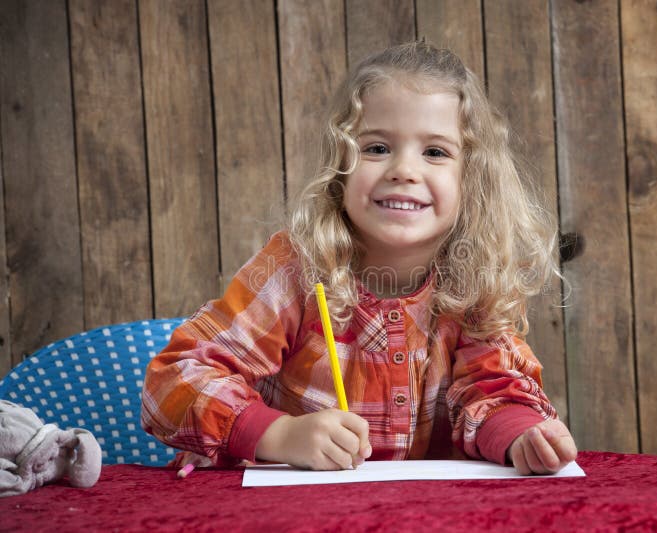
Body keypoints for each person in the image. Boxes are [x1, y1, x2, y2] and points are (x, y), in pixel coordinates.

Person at [141, 41, 577, 475]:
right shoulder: (295, 269)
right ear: (340, 165)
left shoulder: (477, 278)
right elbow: (172, 382)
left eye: (435, 152)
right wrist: (277, 435)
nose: (403, 169)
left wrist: (522, 435)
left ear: (473, 179)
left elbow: (491, 392)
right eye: (377, 148)